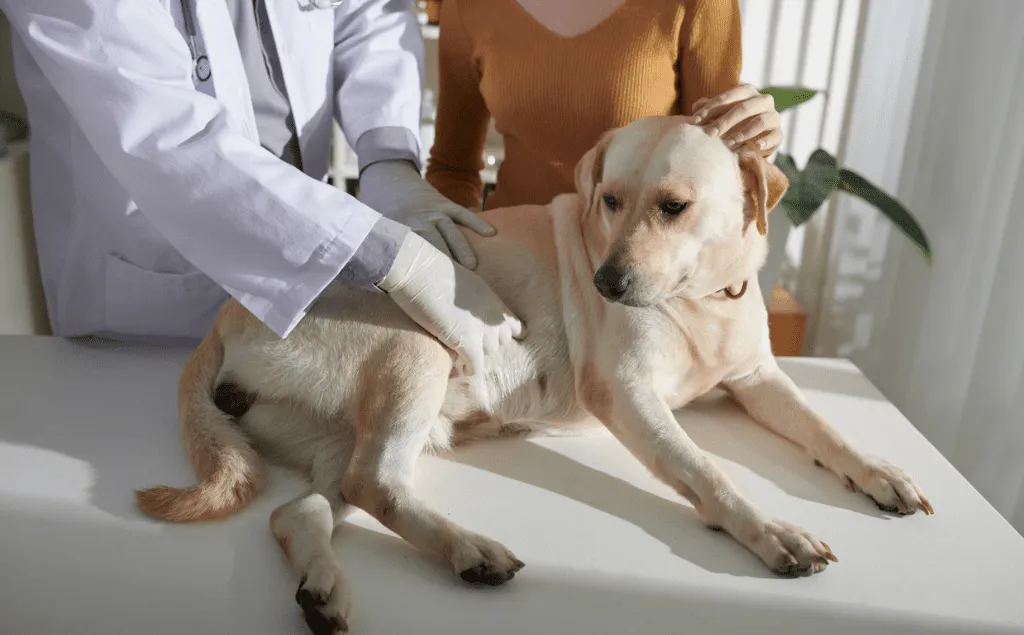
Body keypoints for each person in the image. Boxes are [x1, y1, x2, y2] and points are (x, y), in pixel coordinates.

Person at [1, 0, 517, 375]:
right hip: (147, 327)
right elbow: (169, 138)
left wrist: (388, 161)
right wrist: (389, 258)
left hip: (302, 309)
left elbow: (370, 12)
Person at [425, 0, 783, 229]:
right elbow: (452, 170)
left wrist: (757, 140)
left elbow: (717, 162)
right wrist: (464, 264)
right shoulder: (467, 7)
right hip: (515, 274)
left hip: (636, 283)